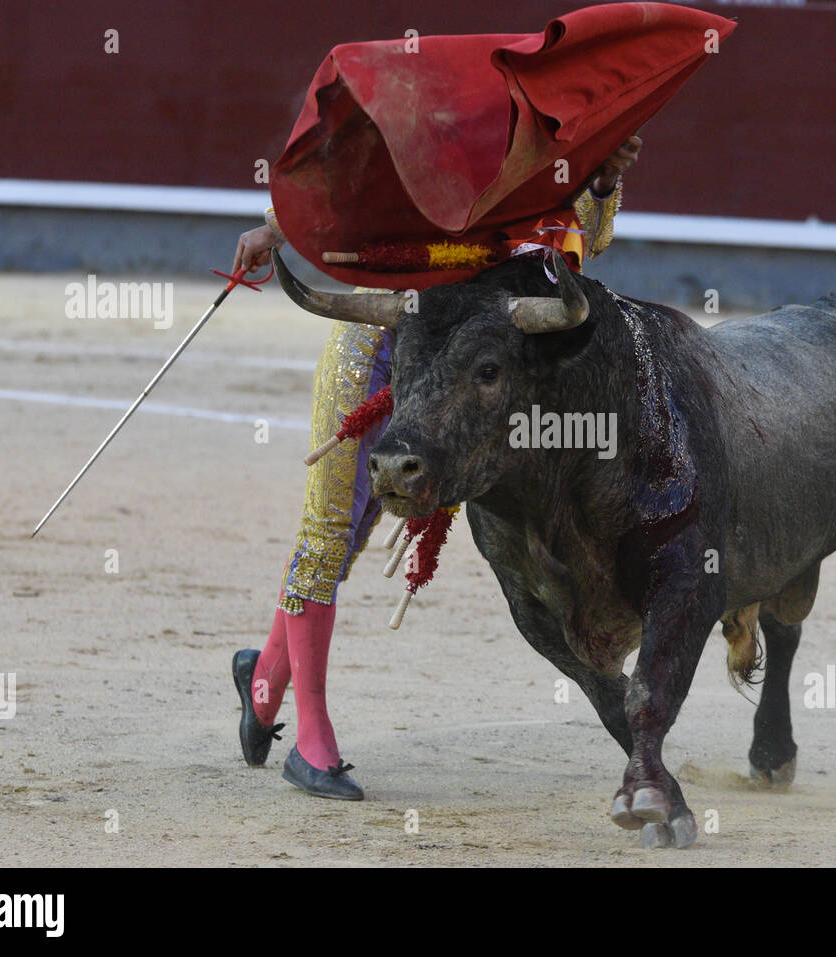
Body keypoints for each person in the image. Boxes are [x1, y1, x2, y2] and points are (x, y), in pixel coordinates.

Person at [230, 137, 642, 799]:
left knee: (364, 526)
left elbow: (583, 240)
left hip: (461, 372)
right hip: (385, 340)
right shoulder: (462, 146)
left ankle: (263, 681)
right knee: (332, 529)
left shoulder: (556, 160)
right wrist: (276, 229)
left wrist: (599, 183)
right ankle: (310, 742)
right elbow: (362, 185)